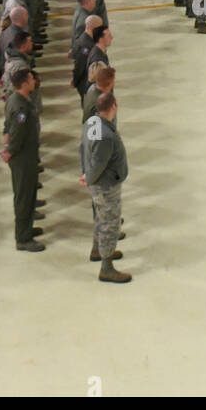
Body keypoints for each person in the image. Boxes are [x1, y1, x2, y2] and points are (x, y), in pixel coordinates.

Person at [82, 91, 129, 283]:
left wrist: (86, 173)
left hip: (99, 183)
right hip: (106, 185)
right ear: (113, 107)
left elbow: (85, 150)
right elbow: (99, 162)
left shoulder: (91, 122)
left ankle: (97, 250)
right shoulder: (106, 135)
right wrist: (89, 177)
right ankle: (106, 267)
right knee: (110, 223)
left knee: (101, 217)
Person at [2, 67, 44, 252]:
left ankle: (27, 229)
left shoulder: (17, 99)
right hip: (23, 157)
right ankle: (23, 238)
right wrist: (10, 150)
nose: (34, 81)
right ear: (24, 83)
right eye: (31, 79)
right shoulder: (20, 106)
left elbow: (7, 126)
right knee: (24, 197)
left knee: (29, 194)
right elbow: (16, 132)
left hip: (27, 154)